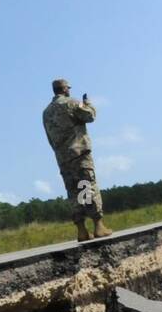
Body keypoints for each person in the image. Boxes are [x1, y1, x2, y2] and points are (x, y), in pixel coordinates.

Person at [41, 78, 113, 242]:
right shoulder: (72, 103)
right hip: (79, 153)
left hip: (63, 158)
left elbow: (49, 137)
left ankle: (81, 230)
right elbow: (89, 116)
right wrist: (88, 103)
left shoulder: (46, 113)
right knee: (87, 186)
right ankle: (98, 226)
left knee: (74, 191)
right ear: (65, 89)